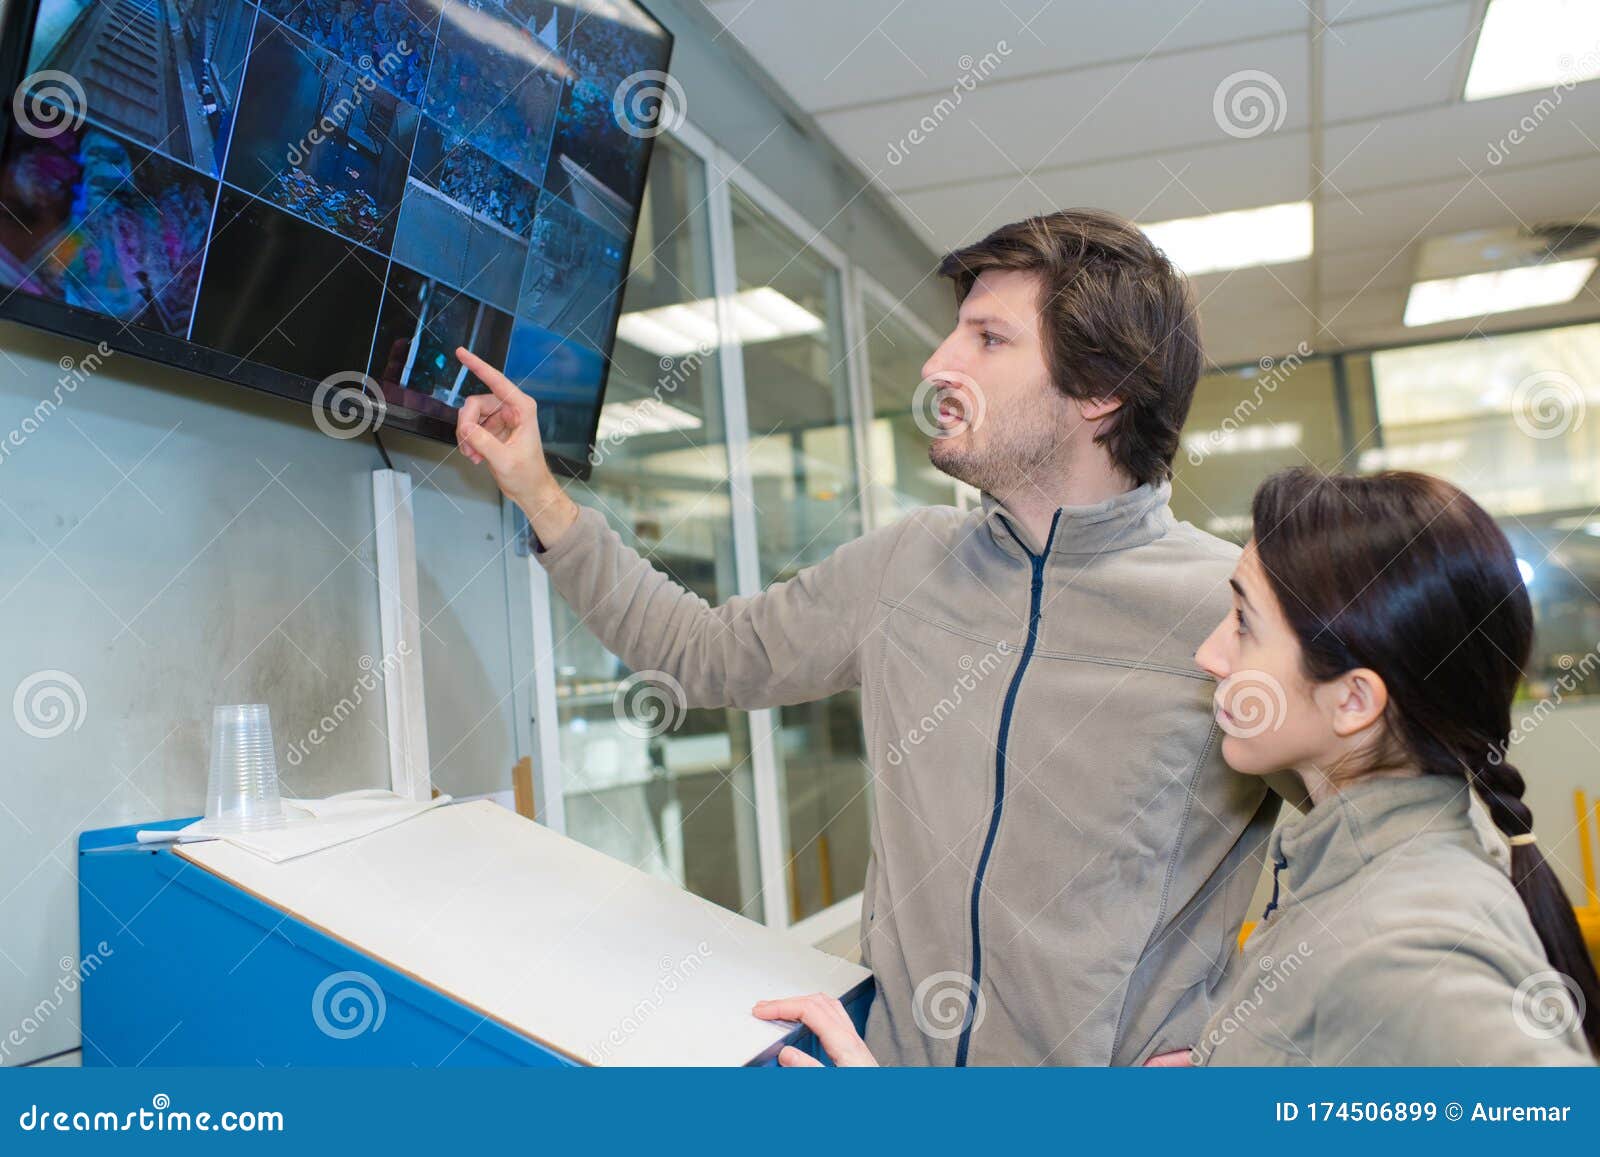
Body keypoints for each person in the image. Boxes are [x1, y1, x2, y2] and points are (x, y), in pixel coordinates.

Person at [455, 208, 1297, 1066]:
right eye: (953, 334)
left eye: (989, 339)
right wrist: (539, 491)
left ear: (1099, 389)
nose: (940, 364)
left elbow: (1385, 841)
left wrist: (1244, 1042)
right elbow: (700, 652)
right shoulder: (908, 565)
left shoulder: (1227, 611)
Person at [758, 468, 1598, 1067]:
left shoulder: (1407, 942)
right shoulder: (1349, 875)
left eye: (1242, 624)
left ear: (1354, 701)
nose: (1207, 655)